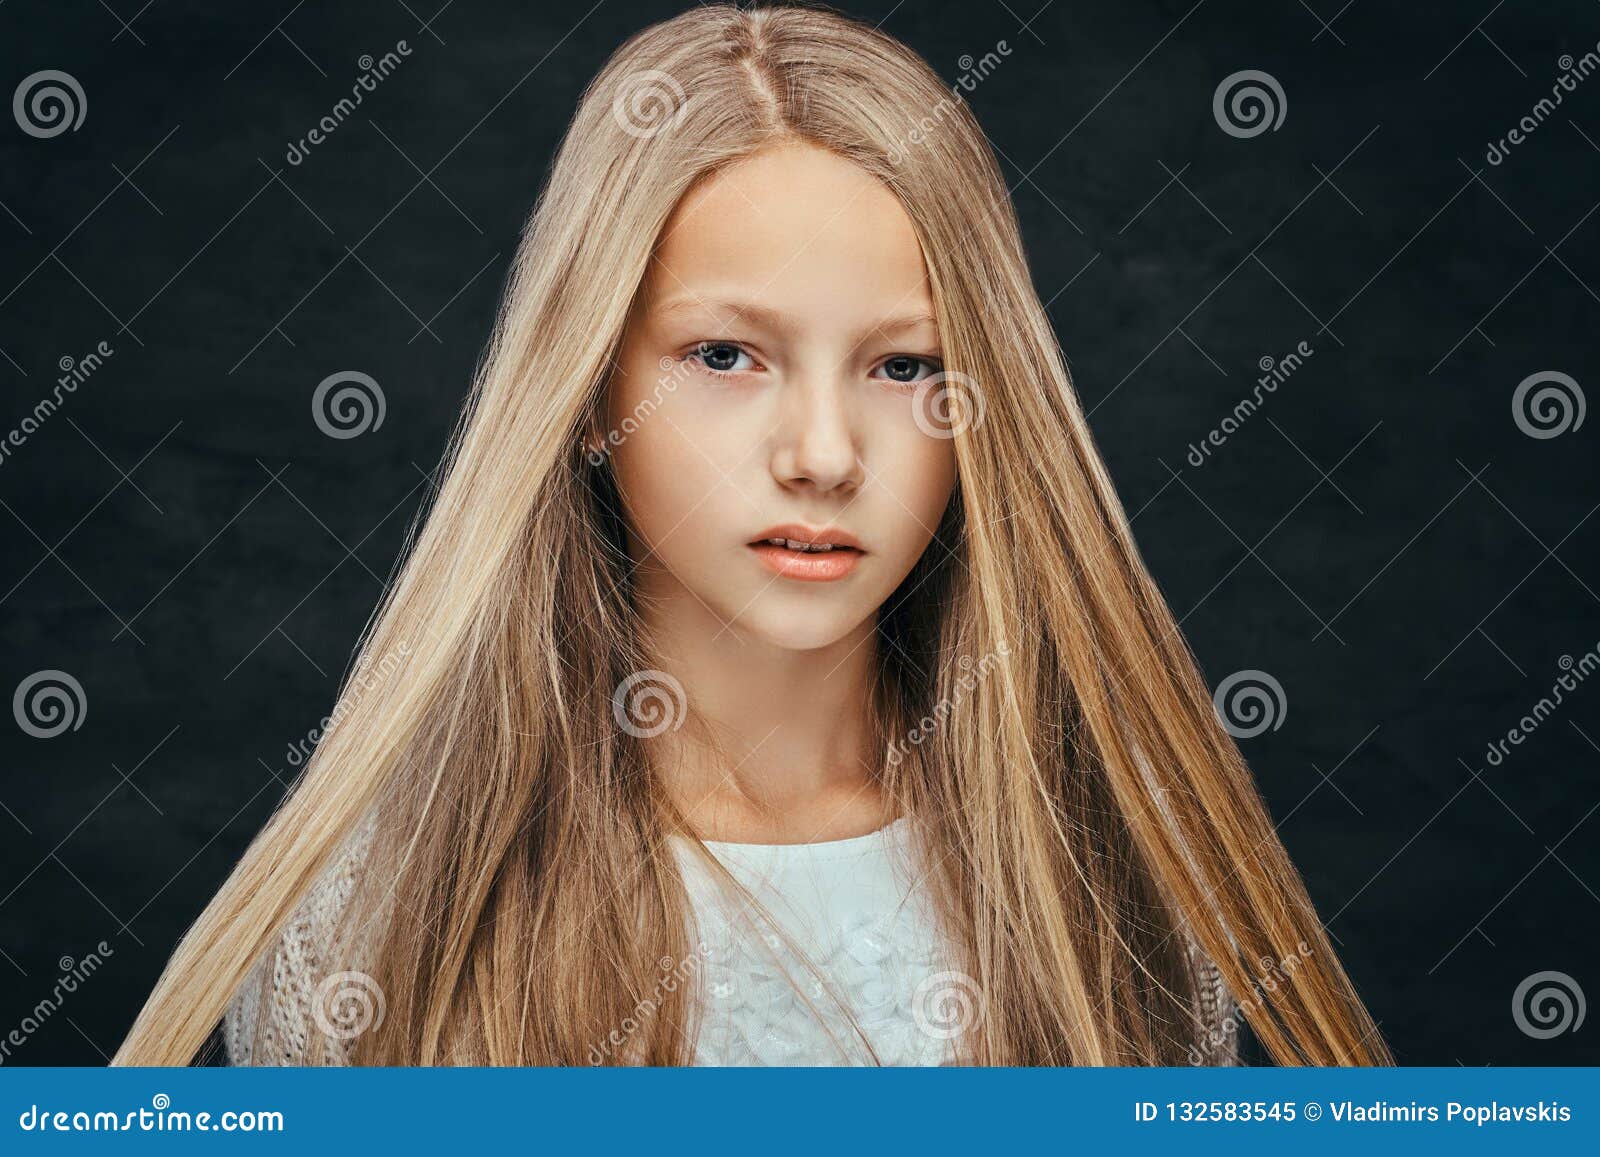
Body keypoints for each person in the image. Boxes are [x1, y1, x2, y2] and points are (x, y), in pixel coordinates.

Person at [115, 3, 1390, 1067]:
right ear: (590, 381)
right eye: (725, 355)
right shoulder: (380, 918)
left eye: (905, 367)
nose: (825, 455)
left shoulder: (1107, 892)